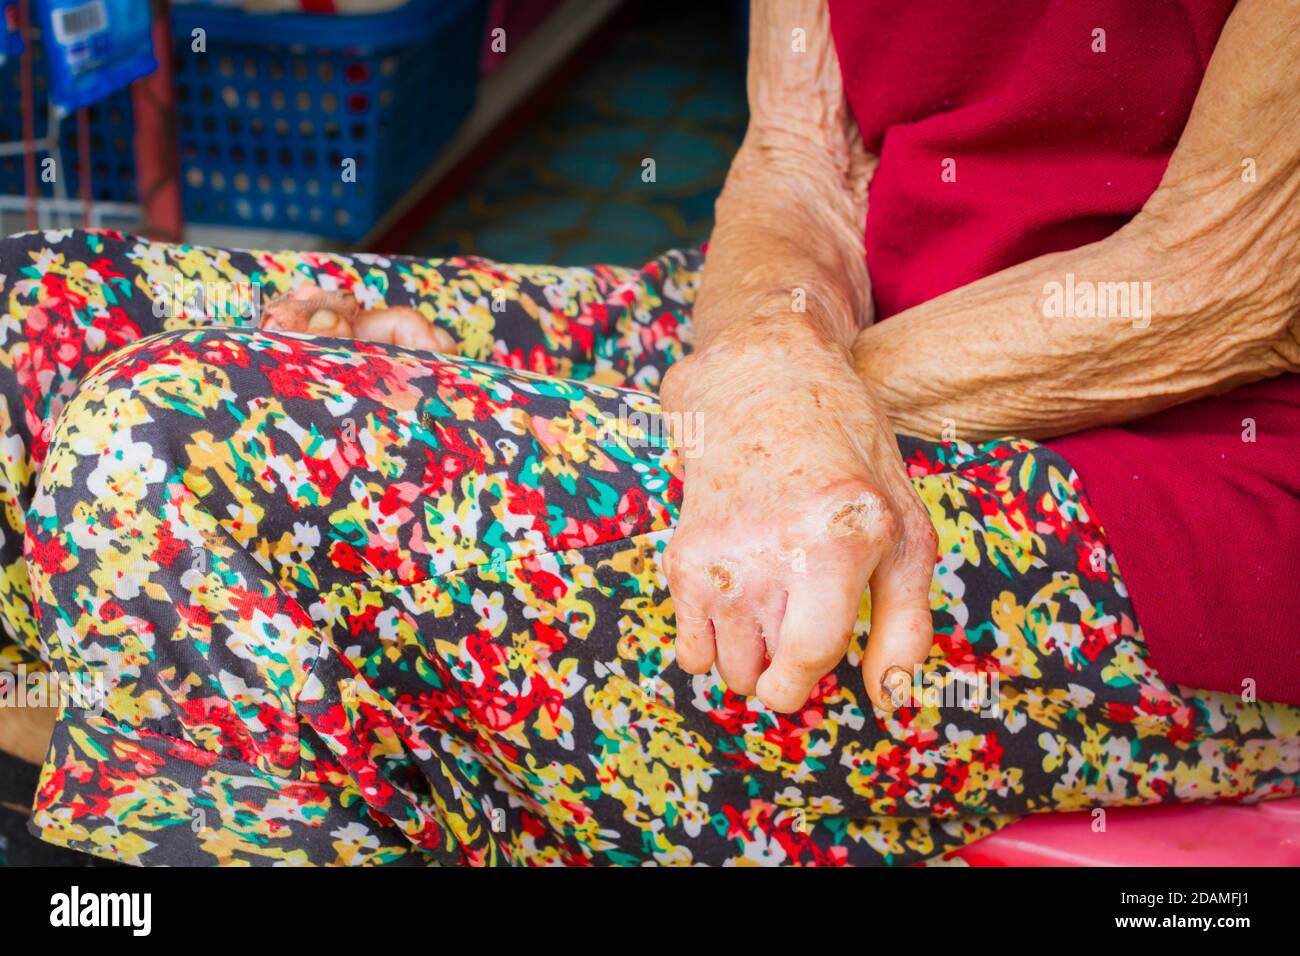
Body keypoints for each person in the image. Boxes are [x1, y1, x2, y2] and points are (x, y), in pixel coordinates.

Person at [0, 0, 1295, 865]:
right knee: (40, 332)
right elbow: (799, 154)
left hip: (1176, 469)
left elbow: (1237, 273)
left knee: (186, 443)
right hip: (833, 332)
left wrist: (678, 422)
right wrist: (759, 363)